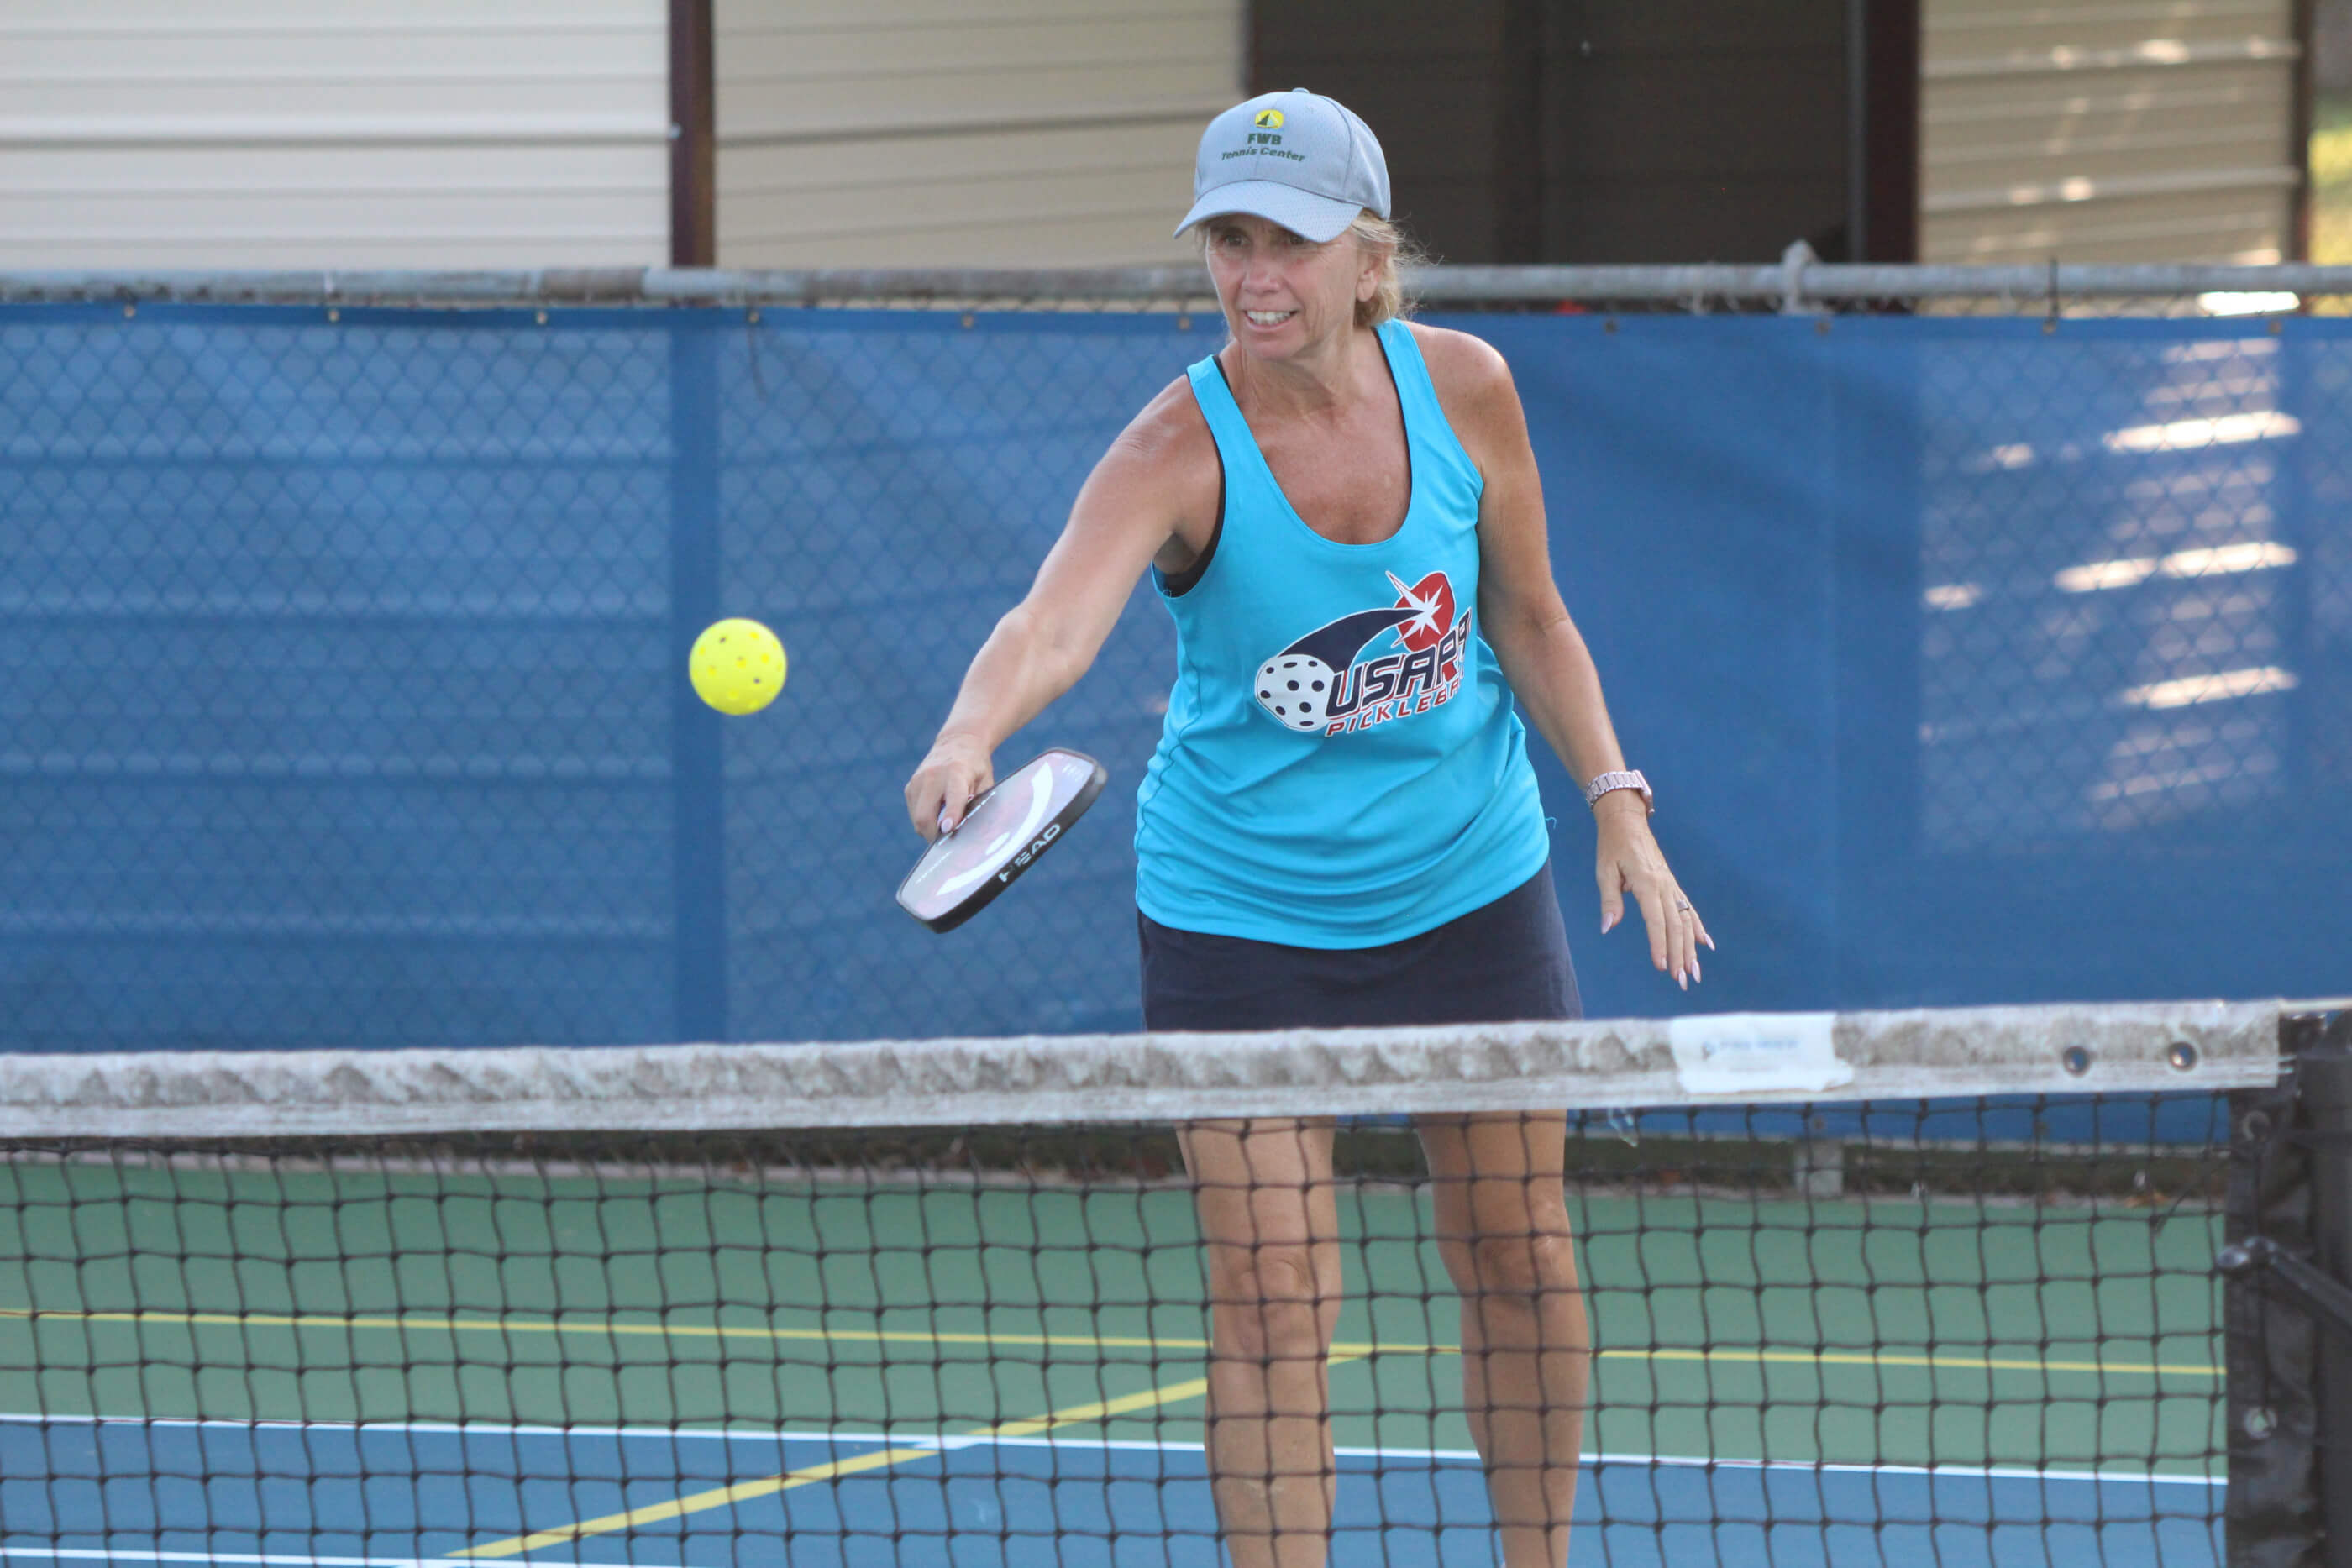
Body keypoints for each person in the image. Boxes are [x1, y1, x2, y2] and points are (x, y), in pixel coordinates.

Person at [905, 88, 1713, 1568]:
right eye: (1229, 239)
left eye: (1289, 239)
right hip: (1240, 918)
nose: (1254, 274)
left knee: (1521, 1258)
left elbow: (1529, 617)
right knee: (1276, 1298)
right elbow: (1052, 622)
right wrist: (972, 729)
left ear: (1368, 254)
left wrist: (1619, 805)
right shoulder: (1173, 447)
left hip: (1470, 886)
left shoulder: (1467, 390)